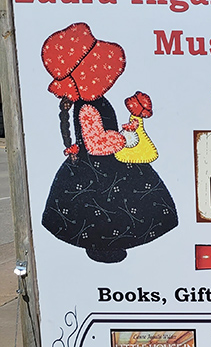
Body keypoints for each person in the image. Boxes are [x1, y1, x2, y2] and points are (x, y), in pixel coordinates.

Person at [40, 22, 178, 263]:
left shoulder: (92, 101)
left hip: (106, 164)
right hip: (99, 168)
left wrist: (124, 130)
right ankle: (104, 246)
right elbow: (96, 144)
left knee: (112, 209)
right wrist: (123, 139)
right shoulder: (88, 107)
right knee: (107, 209)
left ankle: (106, 244)